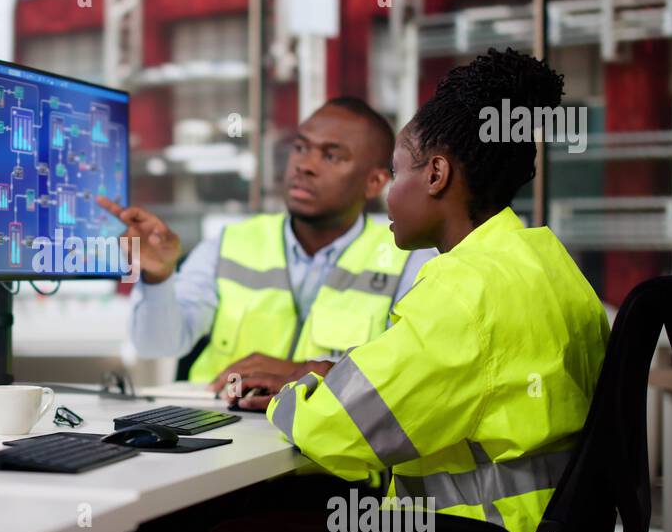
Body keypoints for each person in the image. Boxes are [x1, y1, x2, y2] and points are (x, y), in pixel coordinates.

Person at [190, 48, 611, 532]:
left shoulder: (462, 289)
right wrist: (333, 370)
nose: (388, 192)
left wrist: (294, 391)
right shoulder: (546, 263)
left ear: (436, 173)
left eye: (398, 170)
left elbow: (337, 433)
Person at [98, 97, 436, 399]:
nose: (305, 165)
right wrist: (158, 277)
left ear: (374, 182)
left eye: (332, 156)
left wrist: (301, 374)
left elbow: (408, 375)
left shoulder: (408, 258)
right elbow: (157, 344)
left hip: (328, 455)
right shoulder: (229, 243)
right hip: (219, 434)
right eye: (301, 148)